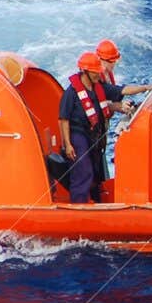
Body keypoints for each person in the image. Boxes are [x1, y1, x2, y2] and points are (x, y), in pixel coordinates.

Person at [90, 39, 152, 179]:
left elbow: (110, 95)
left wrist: (120, 105)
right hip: (91, 129)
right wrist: (145, 88)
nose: (114, 64)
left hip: (102, 127)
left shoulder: (107, 74)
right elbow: (97, 101)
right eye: (111, 61)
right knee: (90, 163)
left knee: (99, 158)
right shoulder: (96, 78)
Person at [58, 52, 112, 203]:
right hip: (77, 135)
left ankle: (94, 199)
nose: (98, 75)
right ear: (85, 72)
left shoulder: (97, 89)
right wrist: (68, 145)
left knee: (95, 170)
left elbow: (119, 92)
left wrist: (146, 88)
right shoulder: (71, 93)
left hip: (92, 135)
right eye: (95, 72)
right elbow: (63, 119)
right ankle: (79, 203)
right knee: (83, 170)